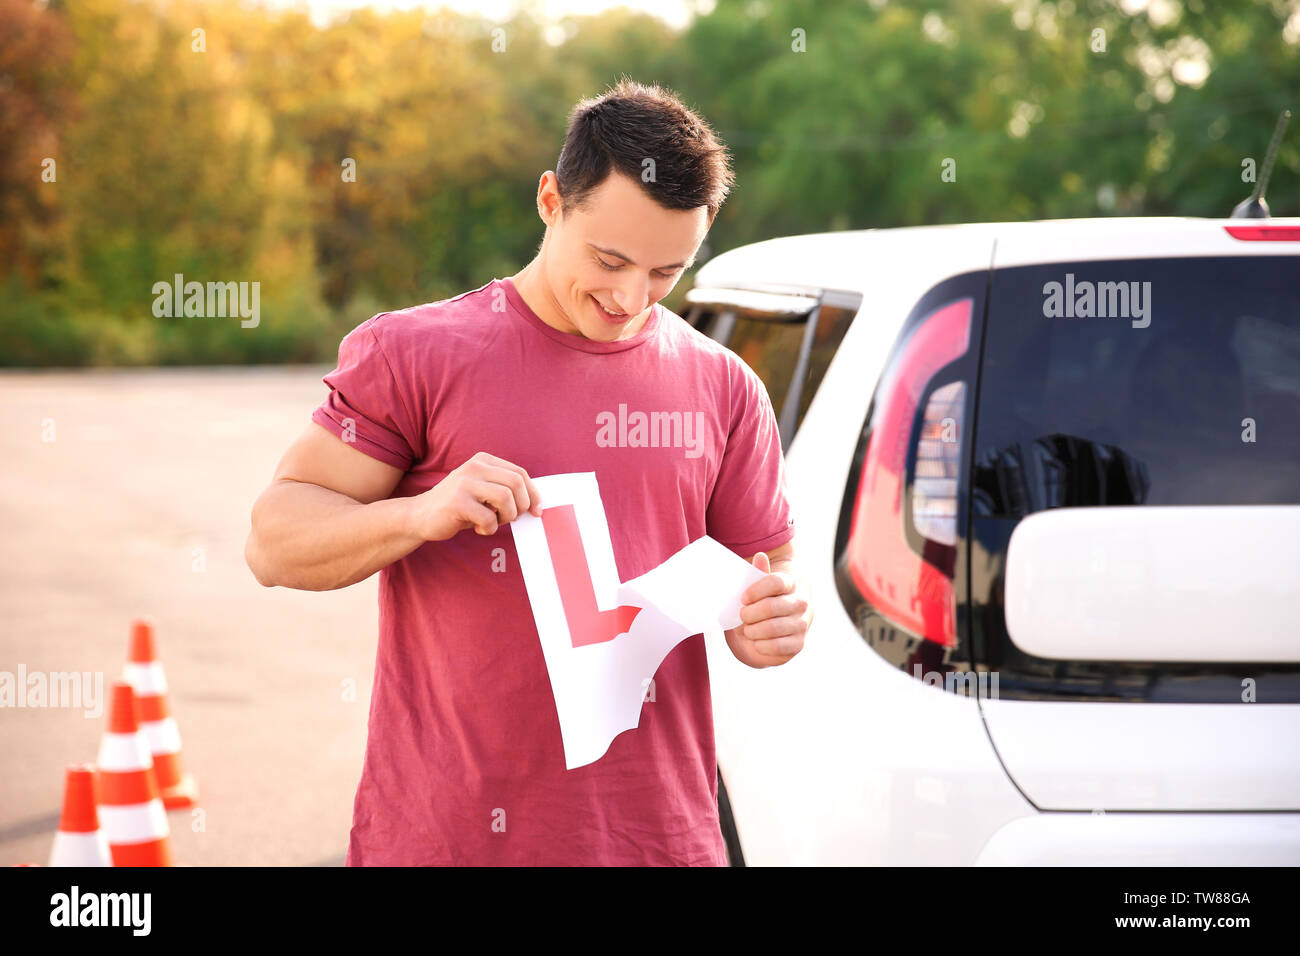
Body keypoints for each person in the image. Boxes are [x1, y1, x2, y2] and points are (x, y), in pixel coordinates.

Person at [244, 78, 811, 866]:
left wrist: (770, 627)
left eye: (663, 272)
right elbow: (274, 543)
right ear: (550, 199)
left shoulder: (726, 387)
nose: (628, 296)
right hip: (449, 841)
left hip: (660, 842)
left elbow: (764, 590)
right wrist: (418, 514)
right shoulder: (415, 354)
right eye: (609, 259)